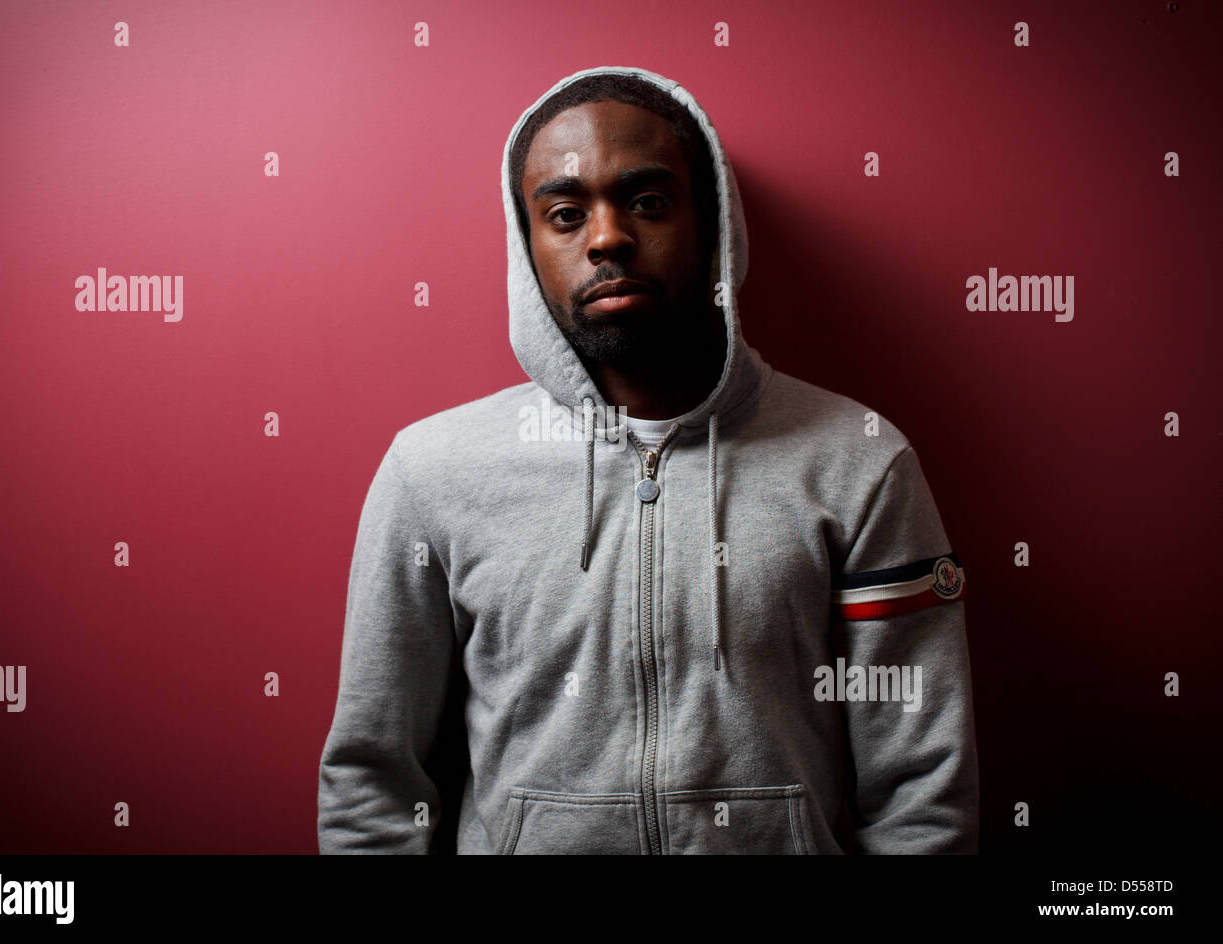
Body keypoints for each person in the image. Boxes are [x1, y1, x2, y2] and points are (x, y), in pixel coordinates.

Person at [317, 65, 979, 854]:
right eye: (564, 214)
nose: (606, 238)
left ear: (714, 226)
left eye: (647, 201)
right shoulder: (433, 472)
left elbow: (923, 791)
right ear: (527, 247)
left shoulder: (859, 463)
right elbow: (372, 781)